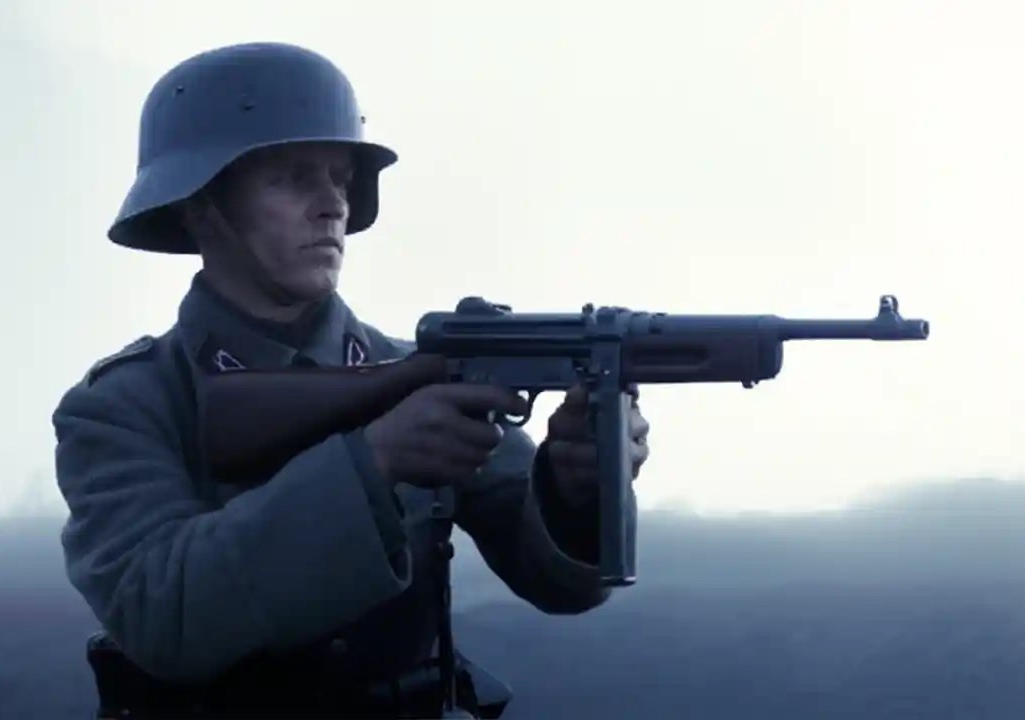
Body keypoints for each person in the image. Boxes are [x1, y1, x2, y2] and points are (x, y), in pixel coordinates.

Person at [51, 41, 650, 719]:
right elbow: (165, 616)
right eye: (292, 177)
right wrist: (374, 462)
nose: (331, 204)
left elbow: (560, 583)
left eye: (340, 178)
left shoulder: (416, 374)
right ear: (199, 205)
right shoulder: (123, 406)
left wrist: (578, 485)